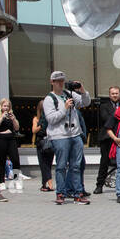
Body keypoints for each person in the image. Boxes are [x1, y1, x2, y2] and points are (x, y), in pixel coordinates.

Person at [42, 71, 90, 204]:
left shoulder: (69, 94)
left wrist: (82, 89)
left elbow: (86, 102)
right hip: (59, 136)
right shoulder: (49, 99)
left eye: (62, 80)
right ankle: (61, 193)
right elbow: (51, 119)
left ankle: (78, 193)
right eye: (57, 81)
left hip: (75, 134)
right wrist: (64, 108)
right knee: (61, 166)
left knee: (76, 166)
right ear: (52, 82)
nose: (60, 83)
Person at [94, 85, 120, 193]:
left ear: (119, 94)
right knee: (104, 162)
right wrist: (119, 115)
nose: (115, 95)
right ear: (109, 95)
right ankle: (99, 185)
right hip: (107, 138)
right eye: (112, 93)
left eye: (116, 93)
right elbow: (106, 119)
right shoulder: (104, 106)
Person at [0, 99, 22, 185]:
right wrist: (2, 117)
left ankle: (16, 179)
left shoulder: (11, 115)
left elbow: (17, 128)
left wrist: (13, 119)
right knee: (1, 160)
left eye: (8, 106)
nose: (6, 108)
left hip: (11, 138)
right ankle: (2, 182)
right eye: (4, 106)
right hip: (1, 138)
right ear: (1, 107)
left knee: (15, 159)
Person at [32, 107, 54, 192]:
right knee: (45, 164)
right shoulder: (37, 119)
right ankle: (44, 184)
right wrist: (42, 125)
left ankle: (49, 184)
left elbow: (34, 130)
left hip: (46, 142)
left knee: (45, 164)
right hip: (44, 142)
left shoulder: (47, 119)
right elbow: (34, 130)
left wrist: (42, 125)